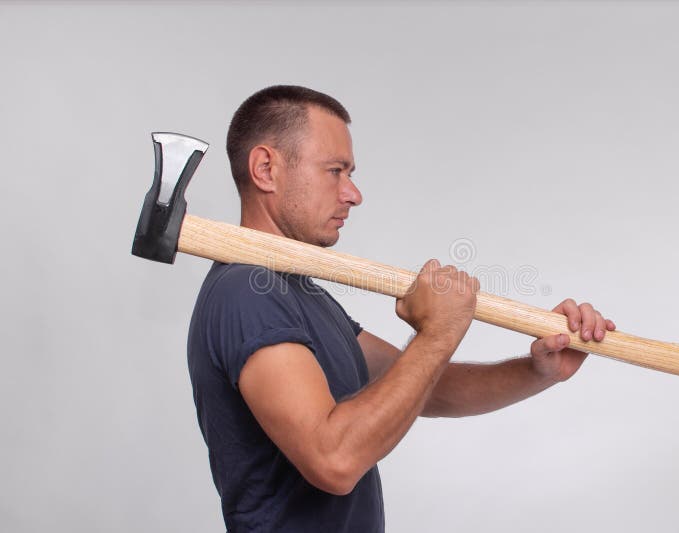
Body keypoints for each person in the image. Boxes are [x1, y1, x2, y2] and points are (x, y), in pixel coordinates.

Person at [187, 85, 615, 532]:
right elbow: (333, 459)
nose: (353, 194)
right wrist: (438, 332)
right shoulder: (247, 293)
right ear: (265, 169)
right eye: (335, 170)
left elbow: (426, 387)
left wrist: (539, 370)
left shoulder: (297, 293)